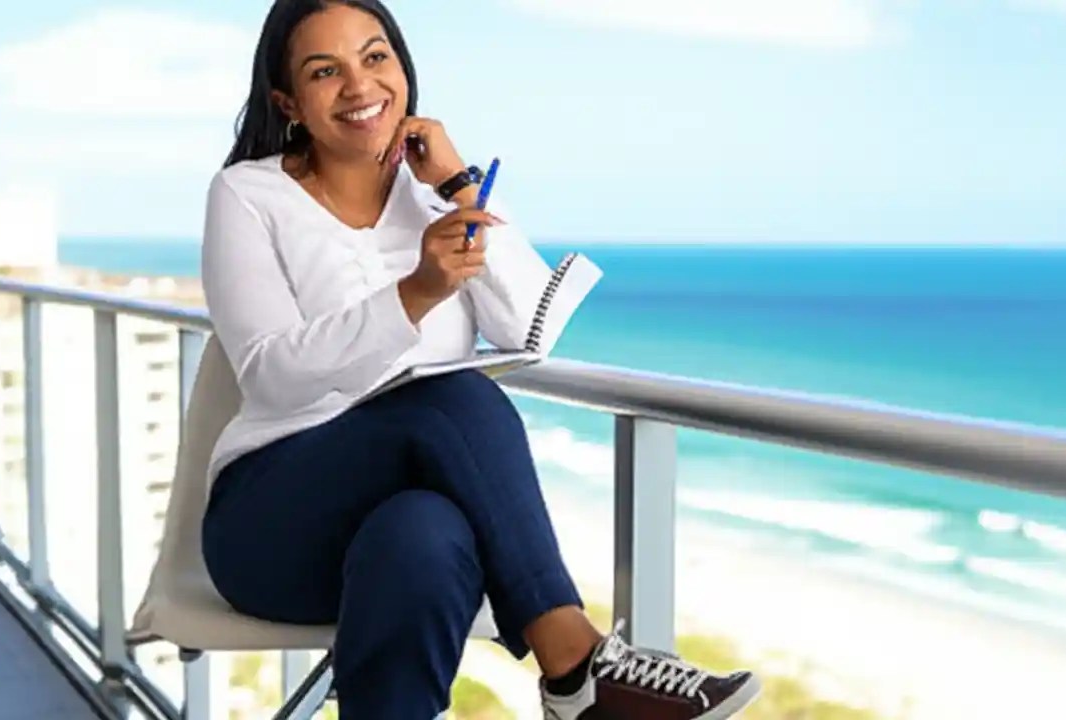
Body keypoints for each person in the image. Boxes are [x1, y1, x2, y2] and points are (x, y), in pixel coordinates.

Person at [198, 1, 761, 718]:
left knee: (425, 536)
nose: (359, 85)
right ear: (288, 103)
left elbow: (528, 323)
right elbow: (269, 374)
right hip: (271, 522)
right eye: (324, 71)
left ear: (402, 68)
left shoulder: (435, 198)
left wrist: (458, 185)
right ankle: (573, 666)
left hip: (395, 525)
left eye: (375, 57)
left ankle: (575, 685)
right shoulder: (248, 195)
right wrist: (416, 293)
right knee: (453, 399)